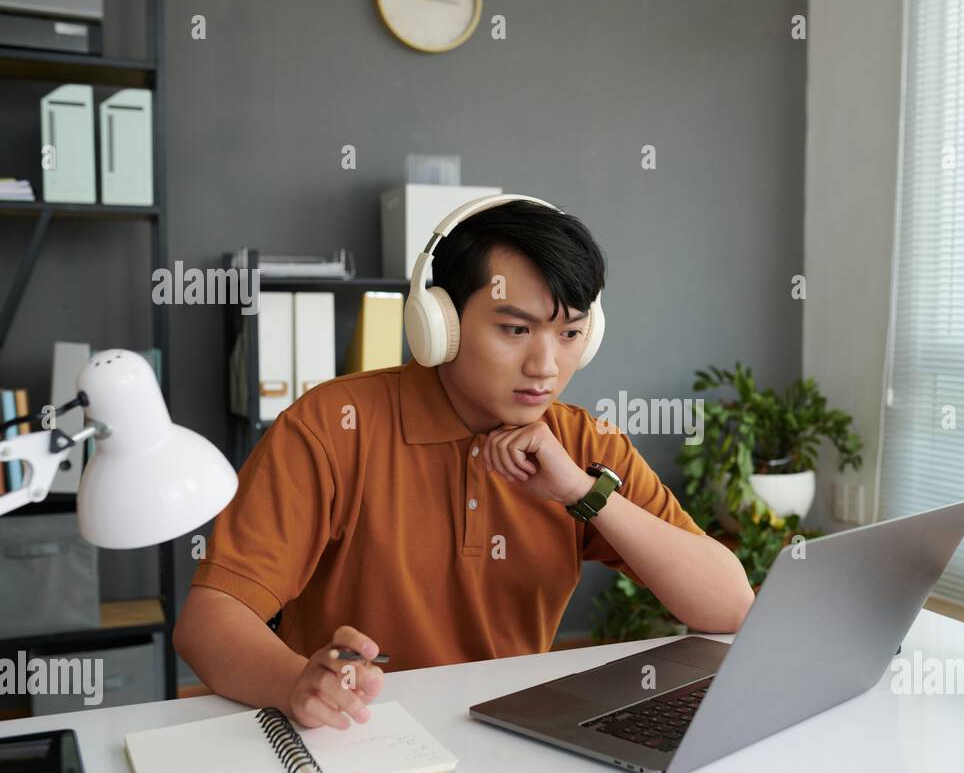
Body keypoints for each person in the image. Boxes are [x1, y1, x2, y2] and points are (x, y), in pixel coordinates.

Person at [174, 198, 754, 730]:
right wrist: (296, 683)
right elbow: (209, 620)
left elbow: (728, 606)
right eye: (515, 329)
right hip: (360, 735)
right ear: (440, 324)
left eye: (570, 333)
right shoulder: (332, 426)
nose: (545, 366)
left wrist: (583, 491)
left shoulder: (583, 443)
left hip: (514, 737)